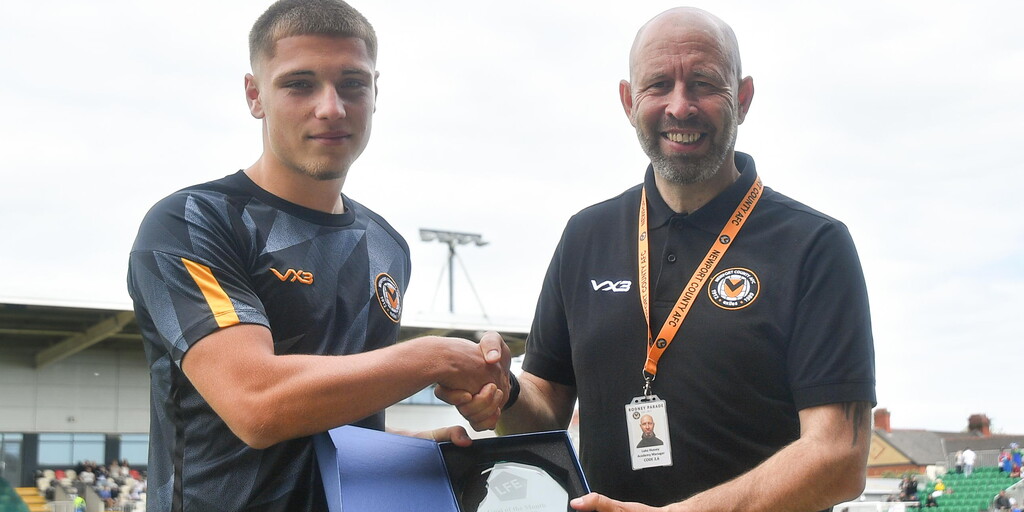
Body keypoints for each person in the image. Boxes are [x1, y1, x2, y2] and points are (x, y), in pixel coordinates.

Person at [441, 6, 875, 512]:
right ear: (628, 101)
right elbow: (546, 410)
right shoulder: (587, 235)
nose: (680, 106)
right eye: (659, 85)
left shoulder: (814, 245)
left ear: (745, 97)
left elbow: (839, 457)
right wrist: (507, 390)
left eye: (705, 84)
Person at [126, 1, 510, 510]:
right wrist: (433, 356)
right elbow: (256, 405)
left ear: (376, 92)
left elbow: (331, 424)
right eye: (299, 84)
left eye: (353, 83)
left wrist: (400, 450)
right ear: (254, 95)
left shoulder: (386, 245)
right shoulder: (191, 222)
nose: (331, 107)